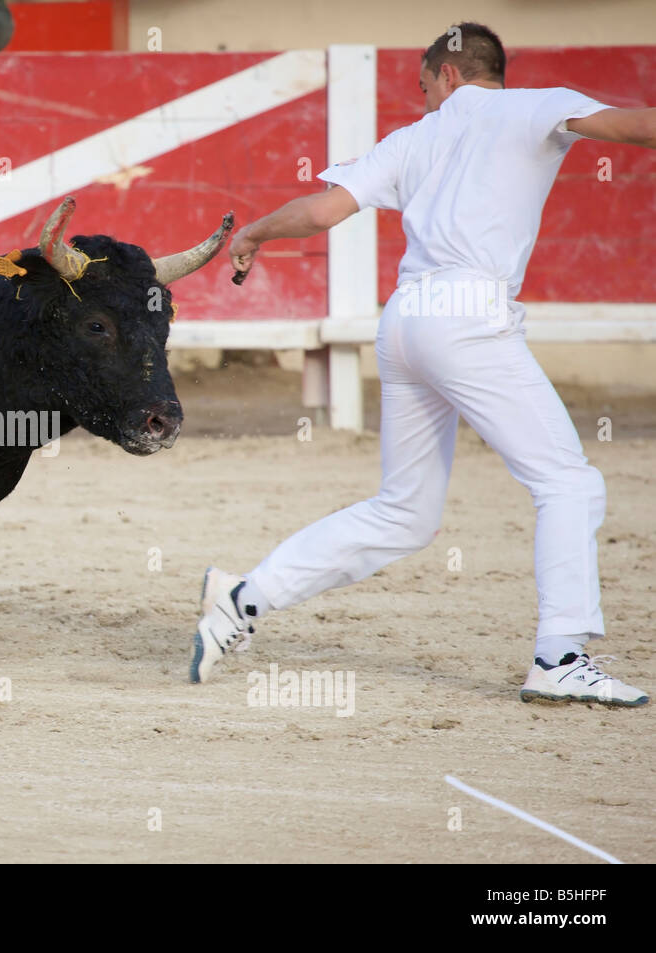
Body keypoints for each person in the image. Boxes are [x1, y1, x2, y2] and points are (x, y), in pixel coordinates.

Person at [192, 22, 655, 706]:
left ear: (450, 74)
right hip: (468, 316)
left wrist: (256, 233)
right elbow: (634, 128)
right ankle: (560, 653)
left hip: (405, 319)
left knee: (405, 512)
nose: (424, 99)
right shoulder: (536, 105)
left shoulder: (413, 139)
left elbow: (322, 211)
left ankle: (242, 597)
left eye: (423, 86)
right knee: (568, 482)